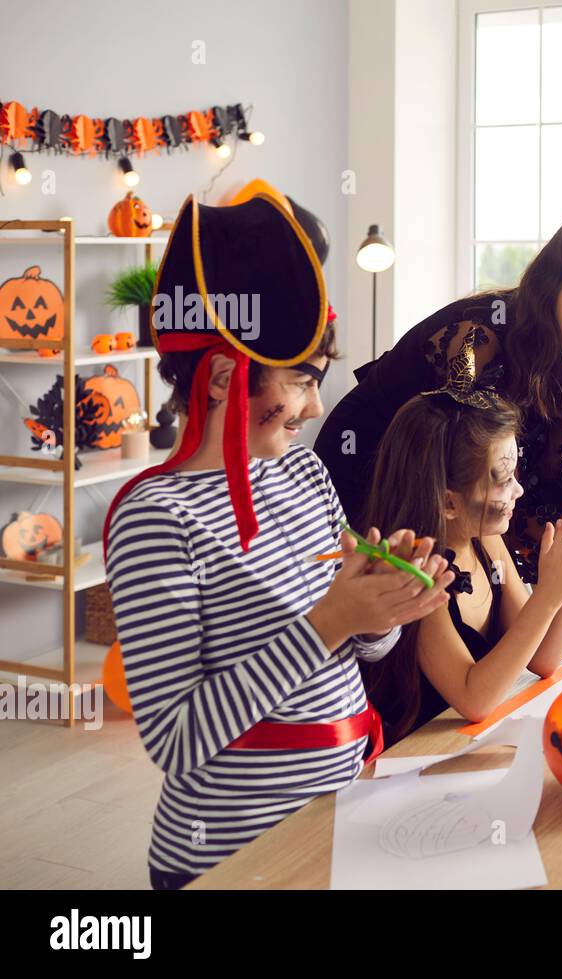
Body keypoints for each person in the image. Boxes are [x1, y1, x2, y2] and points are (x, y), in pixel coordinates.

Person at [103, 194, 454, 889]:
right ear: (228, 376)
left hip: (344, 815)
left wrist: (380, 611)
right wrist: (331, 620)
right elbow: (176, 738)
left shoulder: (302, 471)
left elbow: (351, 648)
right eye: (302, 381)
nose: (318, 406)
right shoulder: (155, 519)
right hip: (233, 856)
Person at [315, 193, 562, 582]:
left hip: (459, 512)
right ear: (553, 286)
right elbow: (487, 515)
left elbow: (545, 486)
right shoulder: (476, 344)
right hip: (367, 494)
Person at [358, 360, 562, 742]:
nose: (518, 490)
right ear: (448, 502)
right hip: (413, 757)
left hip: (472, 742)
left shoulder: (485, 541)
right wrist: (547, 596)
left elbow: (543, 659)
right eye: (502, 480)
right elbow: (474, 698)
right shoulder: (409, 573)